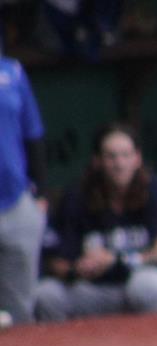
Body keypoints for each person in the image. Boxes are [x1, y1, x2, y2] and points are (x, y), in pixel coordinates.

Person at [33, 123, 157, 322]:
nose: (119, 164)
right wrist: (77, 268)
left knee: (150, 285)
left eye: (126, 155)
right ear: (97, 161)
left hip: (136, 287)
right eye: (111, 156)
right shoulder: (77, 196)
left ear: (137, 158)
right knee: (46, 295)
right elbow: (54, 261)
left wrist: (116, 261)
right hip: (92, 290)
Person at [0, 43, 47, 325]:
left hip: (16, 200)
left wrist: (39, 192)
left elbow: (34, 133)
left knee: (19, 310)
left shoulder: (13, 71)